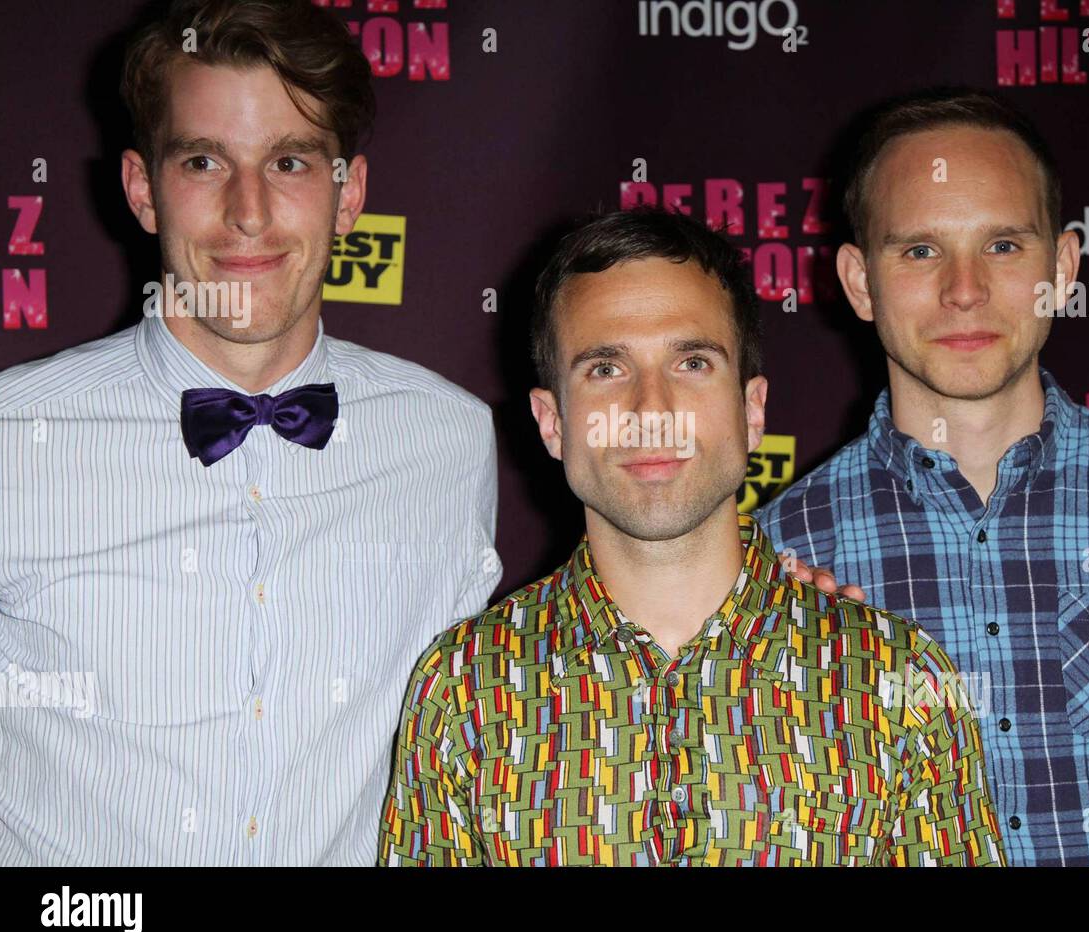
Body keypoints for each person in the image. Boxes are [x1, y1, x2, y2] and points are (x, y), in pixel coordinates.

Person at [0, 0, 500, 864]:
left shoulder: (449, 443)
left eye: (291, 162)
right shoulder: (9, 441)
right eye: (203, 161)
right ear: (142, 190)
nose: (250, 211)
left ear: (350, 195)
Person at [757, 87, 1089, 866]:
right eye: (920, 250)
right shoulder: (781, 557)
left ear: (1064, 267)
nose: (964, 289)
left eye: (1003, 246)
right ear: (861, 281)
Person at [377, 207, 1006, 866]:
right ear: (551, 421)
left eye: (692, 363)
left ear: (752, 408)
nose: (652, 409)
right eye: (606, 369)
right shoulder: (465, 690)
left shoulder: (897, 680)